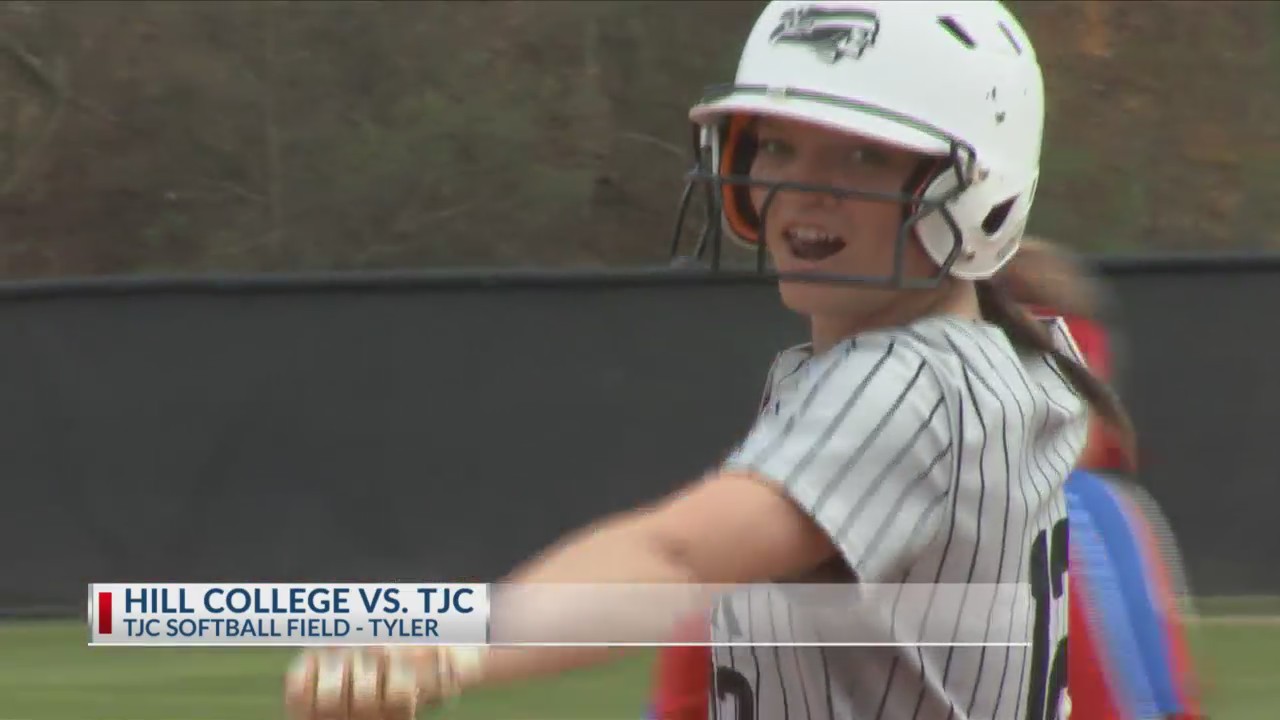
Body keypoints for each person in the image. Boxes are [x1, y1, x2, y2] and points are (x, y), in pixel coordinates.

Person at [284, 2, 1137, 719]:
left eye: (865, 154)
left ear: (978, 192)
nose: (804, 185)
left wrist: (446, 646)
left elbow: (675, 557)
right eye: (777, 146)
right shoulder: (988, 361)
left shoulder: (907, 382)